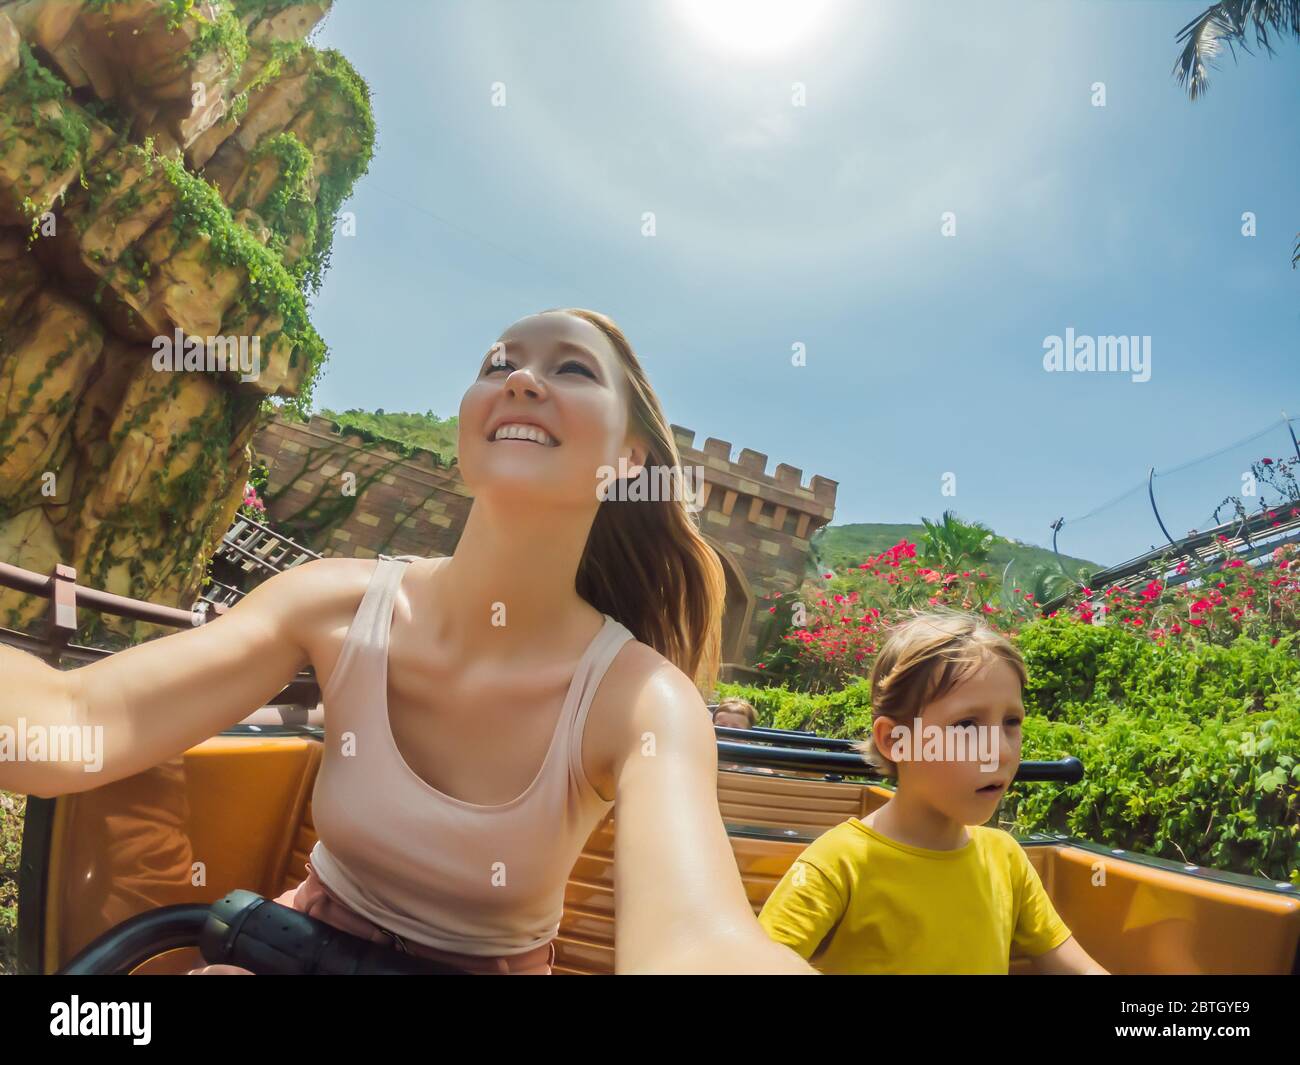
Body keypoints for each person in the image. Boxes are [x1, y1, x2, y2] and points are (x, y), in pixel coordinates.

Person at [1, 308, 814, 975]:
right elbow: (74, 719)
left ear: (629, 457)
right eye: (499, 364)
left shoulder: (644, 699)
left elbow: (699, 941)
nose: (522, 378)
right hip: (290, 955)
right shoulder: (332, 599)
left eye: (572, 370)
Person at [757, 610, 1107, 974]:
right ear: (895, 741)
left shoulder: (1006, 860)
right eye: (968, 725)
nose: (1001, 750)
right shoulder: (839, 863)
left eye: (1011, 722)